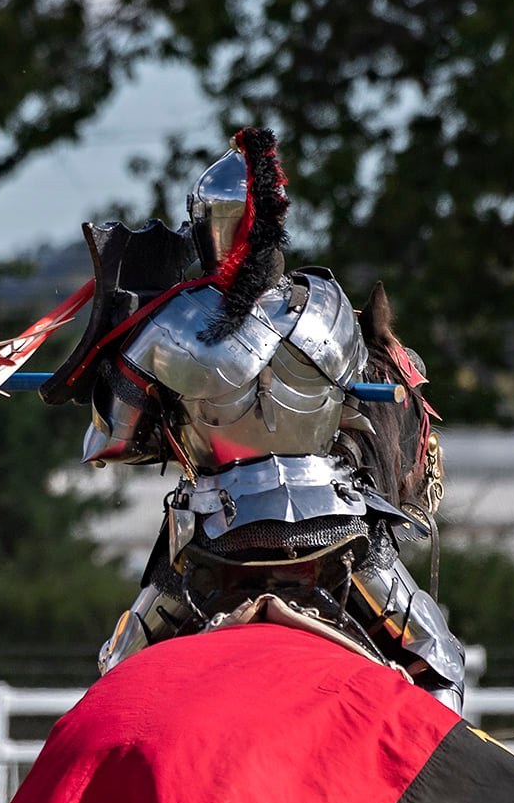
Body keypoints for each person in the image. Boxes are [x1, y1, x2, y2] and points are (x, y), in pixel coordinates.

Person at [38, 128, 467, 708]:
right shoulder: (331, 308)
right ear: (273, 224)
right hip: (334, 525)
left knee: (116, 680)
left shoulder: (169, 326)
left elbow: (109, 443)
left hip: (218, 533)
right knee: (438, 662)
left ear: (204, 226)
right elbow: (350, 406)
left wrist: (180, 414)